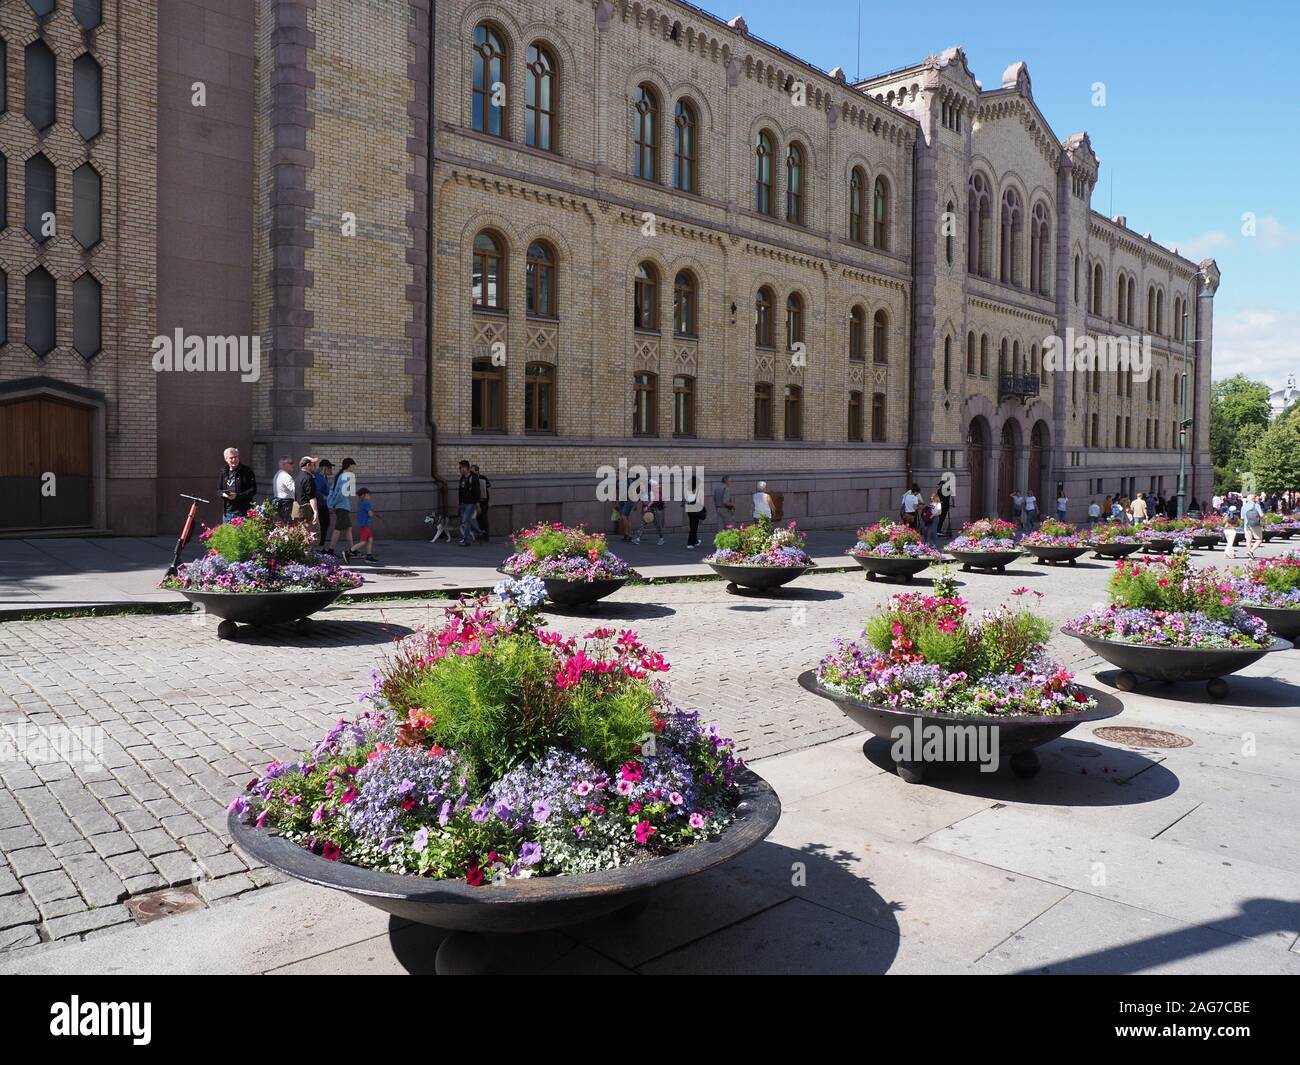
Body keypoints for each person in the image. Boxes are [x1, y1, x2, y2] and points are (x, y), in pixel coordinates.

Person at [326, 457, 358, 560]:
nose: (354, 467)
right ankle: (331, 551)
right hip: (342, 506)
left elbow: (334, 489)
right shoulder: (346, 475)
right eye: (353, 465)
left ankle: (353, 550)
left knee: (348, 528)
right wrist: (334, 504)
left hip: (342, 505)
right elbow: (341, 493)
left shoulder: (341, 475)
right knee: (338, 529)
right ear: (349, 465)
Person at [219, 447, 256, 522]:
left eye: (236, 457)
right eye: (231, 458)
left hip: (242, 513)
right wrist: (224, 494)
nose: (234, 460)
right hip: (227, 513)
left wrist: (237, 496)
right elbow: (218, 490)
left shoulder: (247, 471)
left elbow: (253, 490)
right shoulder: (224, 472)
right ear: (226, 459)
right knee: (227, 534)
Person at [457, 460, 482, 546]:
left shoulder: (473, 478)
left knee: (465, 521)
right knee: (466, 521)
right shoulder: (462, 478)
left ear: (465, 468)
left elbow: (477, 492)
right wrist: (460, 503)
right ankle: (479, 532)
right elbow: (460, 491)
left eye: (460, 468)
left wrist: (478, 505)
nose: (459, 469)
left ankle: (466, 540)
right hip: (463, 503)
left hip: (471, 504)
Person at [633, 479, 665, 545]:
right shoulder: (641, 491)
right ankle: (638, 538)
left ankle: (661, 538)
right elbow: (638, 498)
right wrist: (635, 506)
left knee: (657, 524)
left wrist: (647, 506)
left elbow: (652, 501)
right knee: (643, 523)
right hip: (646, 508)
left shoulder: (650, 491)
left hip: (653, 508)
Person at [292, 455, 319, 532]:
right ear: (308, 465)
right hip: (306, 513)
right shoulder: (308, 478)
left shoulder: (298, 477)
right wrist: (315, 512)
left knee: (300, 536)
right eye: (314, 464)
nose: (315, 466)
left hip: (297, 511)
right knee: (310, 537)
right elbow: (312, 497)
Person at [355, 488, 378, 563]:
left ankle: (369, 556)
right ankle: (349, 552)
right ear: (364, 495)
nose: (369, 495)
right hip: (365, 525)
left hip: (365, 525)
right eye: (368, 494)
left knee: (370, 540)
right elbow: (370, 514)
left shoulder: (363, 503)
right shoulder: (366, 503)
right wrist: (372, 512)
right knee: (363, 542)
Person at [314, 459, 333, 547]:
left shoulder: (324, 477)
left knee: (326, 525)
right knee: (323, 526)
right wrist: (324, 497)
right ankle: (320, 548)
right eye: (329, 468)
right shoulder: (318, 477)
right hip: (320, 505)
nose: (331, 470)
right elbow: (317, 491)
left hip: (324, 505)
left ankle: (321, 547)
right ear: (324, 468)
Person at [272, 455, 295, 522]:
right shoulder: (286, 476)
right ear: (284, 465)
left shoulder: (278, 474)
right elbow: (295, 490)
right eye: (291, 463)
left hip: (280, 504)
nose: (293, 465)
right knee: (288, 526)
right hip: (287, 505)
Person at [471, 464, 492, 541]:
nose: (472, 473)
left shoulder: (483, 478)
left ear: (477, 471)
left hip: (484, 502)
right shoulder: (472, 478)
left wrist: (490, 501)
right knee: (478, 519)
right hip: (476, 502)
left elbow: (489, 489)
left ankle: (486, 536)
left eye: (473, 471)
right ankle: (480, 534)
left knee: (484, 519)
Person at [684, 484, 706, 549]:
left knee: (693, 526)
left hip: (690, 511)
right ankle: (690, 543)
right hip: (694, 511)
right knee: (693, 527)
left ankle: (695, 541)